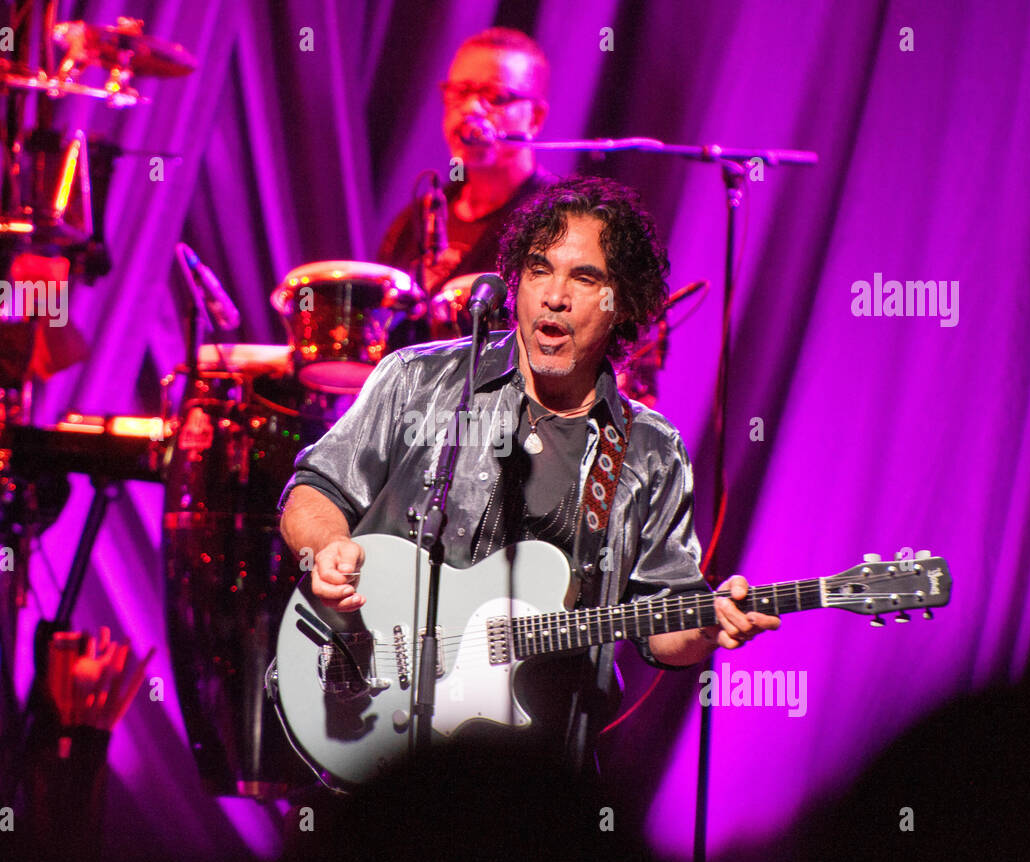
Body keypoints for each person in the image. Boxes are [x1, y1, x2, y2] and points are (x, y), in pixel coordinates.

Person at [280, 176, 779, 768]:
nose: (555, 297)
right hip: (382, 723)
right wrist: (329, 546)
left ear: (624, 303)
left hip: (537, 776)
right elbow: (315, 489)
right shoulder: (417, 380)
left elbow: (664, 627)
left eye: (585, 278)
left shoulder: (650, 451)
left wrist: (708, 622)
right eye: (540, 270)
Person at [378, 27, 555, 327]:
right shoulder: (416, 220)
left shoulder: (558, 221)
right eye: (460, 92)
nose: (471, 109)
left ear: (535, 118)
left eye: (495, 96)